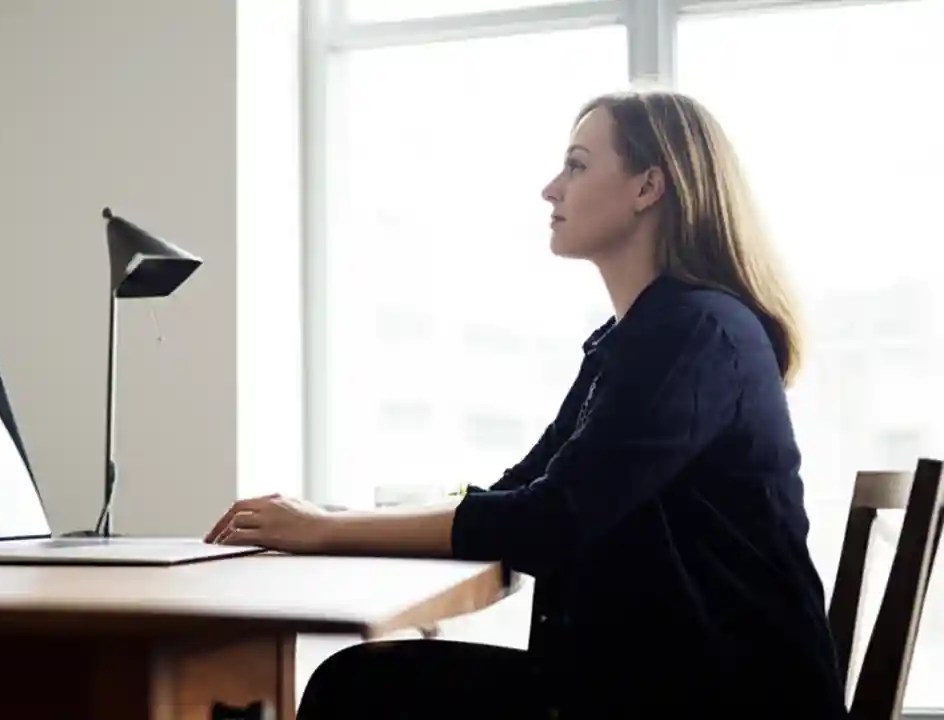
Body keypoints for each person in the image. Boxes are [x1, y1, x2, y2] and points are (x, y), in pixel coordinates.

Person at [205, 89, 848, 719]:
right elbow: (522, 491)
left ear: (648, 187)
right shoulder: (636, 338)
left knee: (357, 688)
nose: (552, 189)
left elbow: (548, 521)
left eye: (576, 165)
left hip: (707, 696)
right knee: (362, 681)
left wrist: (323, 530)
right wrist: (334, 522)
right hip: (650, 681)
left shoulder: (692, 333)